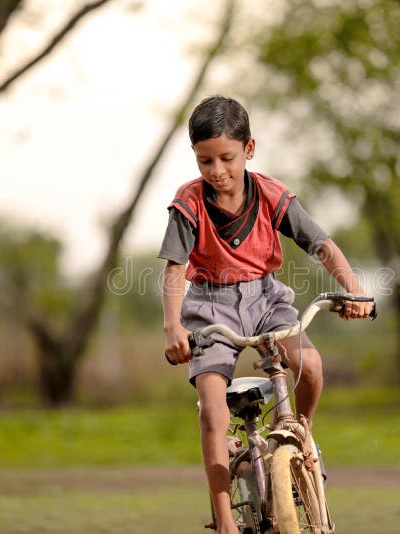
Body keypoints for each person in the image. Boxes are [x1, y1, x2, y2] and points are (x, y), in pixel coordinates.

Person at [159, 95, 373, 534]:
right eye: (205, 161)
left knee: (309, 365)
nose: (217, 170)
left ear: (249, 150)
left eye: (227, 158)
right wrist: (174, 326)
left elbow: (322, 245)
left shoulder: (271, 194)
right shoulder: (189, 202)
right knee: (213, 411)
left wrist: (354, 291)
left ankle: (302, 440)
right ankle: (224, 521)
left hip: (266, 299)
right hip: (209, 306)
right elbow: (176, 269)